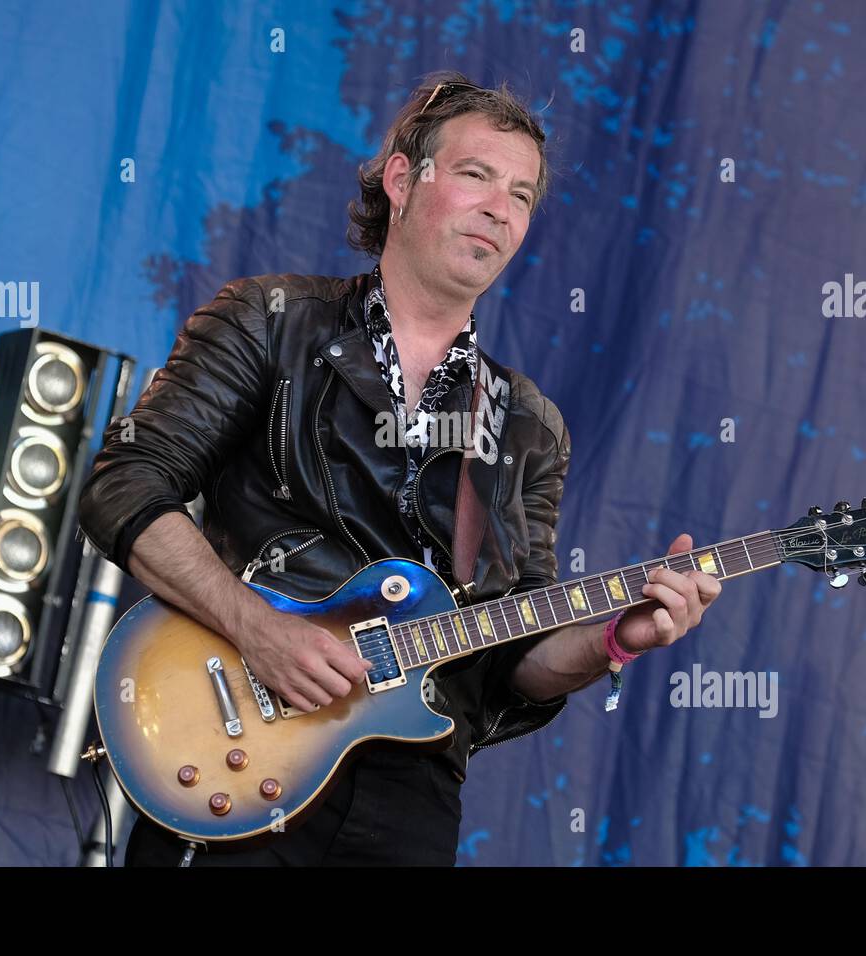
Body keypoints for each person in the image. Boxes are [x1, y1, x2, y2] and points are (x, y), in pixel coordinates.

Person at [77, 71, 721, 866]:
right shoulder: (269, 320)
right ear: (401, 180)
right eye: (478, 175)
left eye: (521, 195)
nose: (500, 208)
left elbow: (505, 671)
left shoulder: (527, 426)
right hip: (238, 748)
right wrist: (259, 628)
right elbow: (124, 483)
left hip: (410, 805)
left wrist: (613, 641)